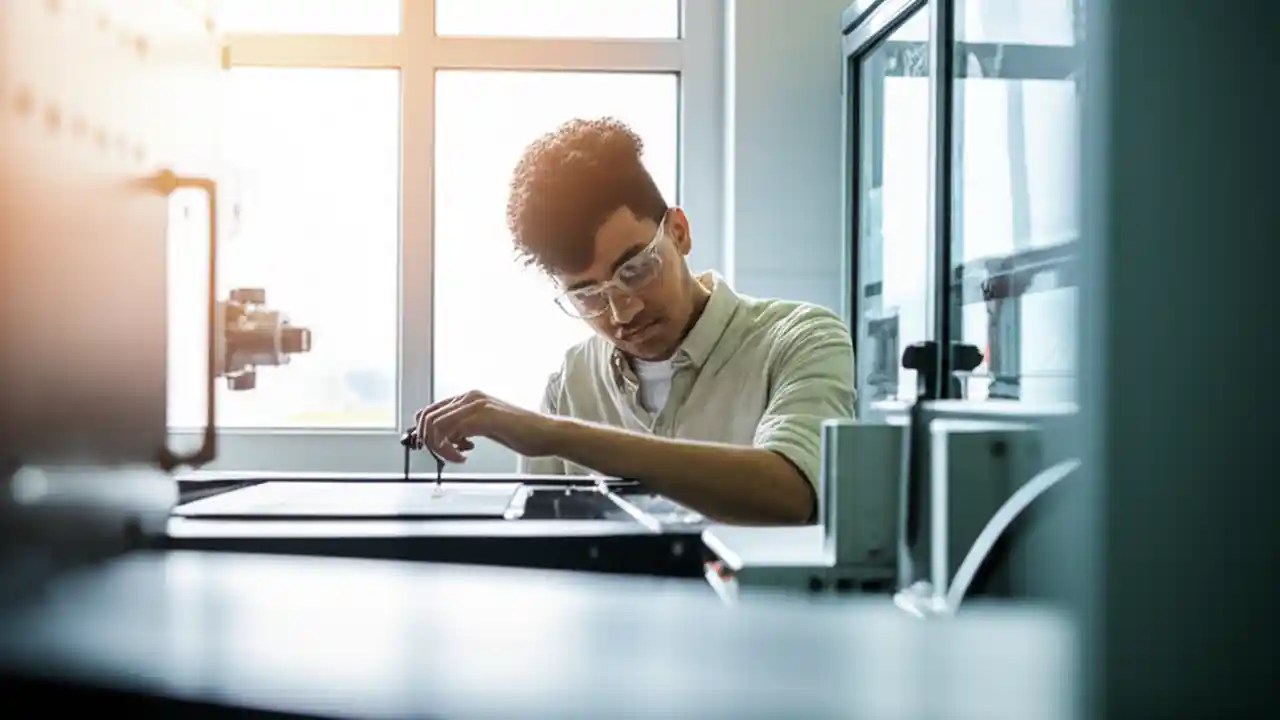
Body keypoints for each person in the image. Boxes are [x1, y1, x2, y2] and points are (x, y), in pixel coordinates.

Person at [413, 117, 854, 525]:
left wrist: (556, 436)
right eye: (588, 296)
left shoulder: (800, 339)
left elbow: (793, 495)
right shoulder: (572, 382)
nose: (624, 313)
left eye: (637, 270)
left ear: (678, 231)